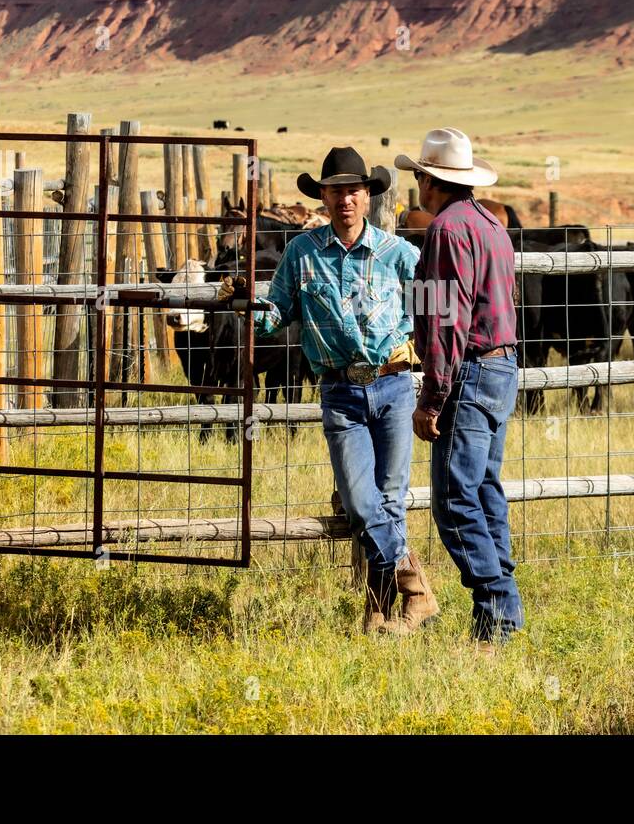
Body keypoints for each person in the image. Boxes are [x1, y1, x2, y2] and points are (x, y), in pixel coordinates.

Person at [220, 146, 438, 635]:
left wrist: (427, 360)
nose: (345, 199)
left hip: (394, 385)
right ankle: (416, 587)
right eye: (336, 190)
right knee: (362, 502)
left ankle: (381, 613)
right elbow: (277, 311)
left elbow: (435, 308)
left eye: (353, 191)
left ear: (368, 197)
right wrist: (246, 301)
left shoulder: (399, 254)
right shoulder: (303, 252)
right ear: (323, 196)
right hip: (340, 390)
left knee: (390, 498)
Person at [397, 128, 524, 649]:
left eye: (420, 175)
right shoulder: (492, 224)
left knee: (453, 500)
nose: (418, 185)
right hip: (501, 366)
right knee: (484, 490)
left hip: (469, 371)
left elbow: (447, 320)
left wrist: (432, 396)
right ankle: (503, 610)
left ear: (430, 180)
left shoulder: (447, 231)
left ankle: (497, 609)